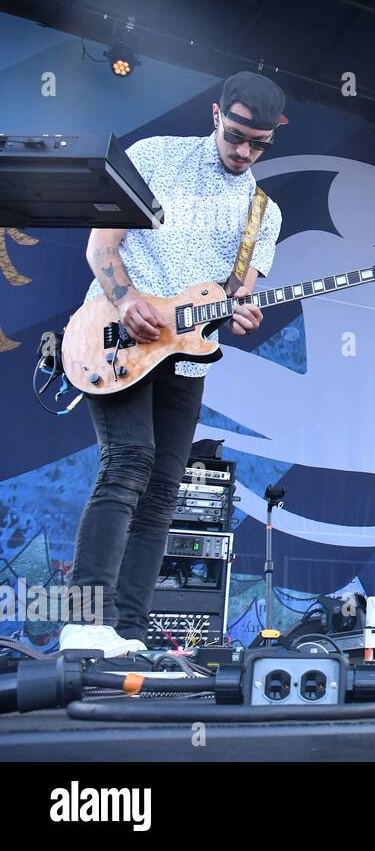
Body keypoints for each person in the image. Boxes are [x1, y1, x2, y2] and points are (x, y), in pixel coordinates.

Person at [59, 72, 286, 657]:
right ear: (215, 114)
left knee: (163, 490)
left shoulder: (264, 212)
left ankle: (128, 634)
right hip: (115, 336)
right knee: (127, 464)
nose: (243, 152)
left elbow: (235, 296)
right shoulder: (153, 157)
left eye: (258, 144)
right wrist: (126, 298)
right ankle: (85, 622)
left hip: (184, 359)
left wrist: (238, 315)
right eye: (236, 135)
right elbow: (100, 247)